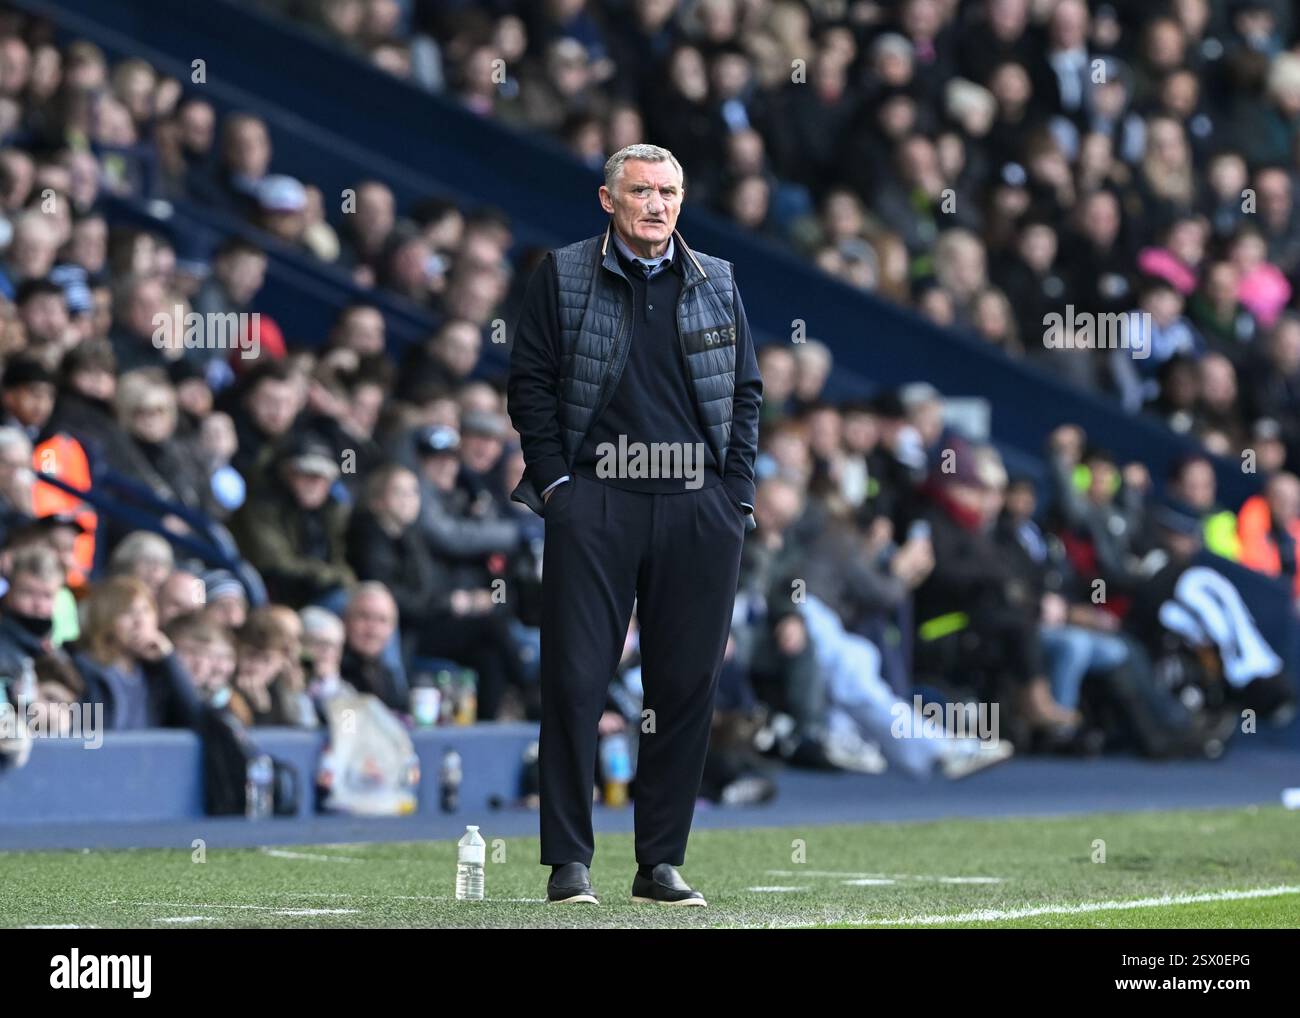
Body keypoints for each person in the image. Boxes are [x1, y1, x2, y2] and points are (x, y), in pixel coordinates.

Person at [507, 144, 762, 906]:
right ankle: (568, 865)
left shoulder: (718, 278)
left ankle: (659, 864)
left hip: (698, 508)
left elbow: (745, 394)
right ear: (607, 198)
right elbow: (530, 384)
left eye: (670, 191)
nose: (657, 204)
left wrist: (735, 497)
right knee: (576, 680)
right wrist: (558, 486)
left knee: (684, 688)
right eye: (642, 191)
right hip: (596, 502)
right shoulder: (563, 271)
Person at [74, 576, 202, 730]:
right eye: (128, 613)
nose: (140, 622)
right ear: (105, 619)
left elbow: (195, 717)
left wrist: (169, 659)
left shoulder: (157, 671)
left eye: (146, 611)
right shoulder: (84, 669)